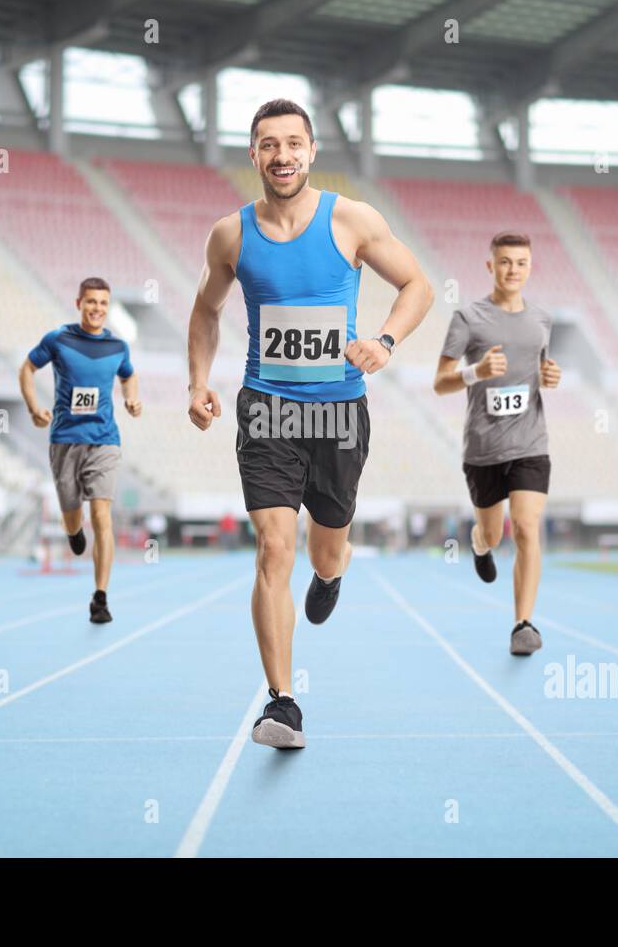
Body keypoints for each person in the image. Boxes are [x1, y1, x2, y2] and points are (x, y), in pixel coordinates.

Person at [186, 98, 433, 749]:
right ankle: (283, 702)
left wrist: (384, 340)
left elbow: (418, 286)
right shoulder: (230, 235)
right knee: (274, 548)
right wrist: (196, 382)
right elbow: (205, 312)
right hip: (266, 408)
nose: (282, 155)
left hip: (340, 412)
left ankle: (332, 574)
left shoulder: (351, 220)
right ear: (254, 154)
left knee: (325, 549)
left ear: (312, 150)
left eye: (293, 143)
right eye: (269, 144)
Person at [433, 231, 562, 656]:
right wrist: (477, 372)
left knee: (526, 527)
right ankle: (479, 543)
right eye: (505, 262)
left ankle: (523, 624)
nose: (513, 270)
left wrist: (551, 376)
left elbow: (541, 369)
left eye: (521, 263)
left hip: (530, 443)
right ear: (490, 266)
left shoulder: (542, 319)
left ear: (530, 267)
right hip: (484, 448)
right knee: (492, 531)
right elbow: (440, 383)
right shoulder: (468, 319)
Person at [20, 276, 141, 625]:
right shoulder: (59, 339)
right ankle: (73, 531)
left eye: (103, 303)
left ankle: (100, 597)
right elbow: (27, 369)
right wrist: (32, 407)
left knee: (102, 517)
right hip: (64, 440)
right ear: (79, 304)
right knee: (74, 517)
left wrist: (131, 398)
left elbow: (129, 375)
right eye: (91, 302)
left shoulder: (118, 347)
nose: (97, 309)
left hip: (104, 440)